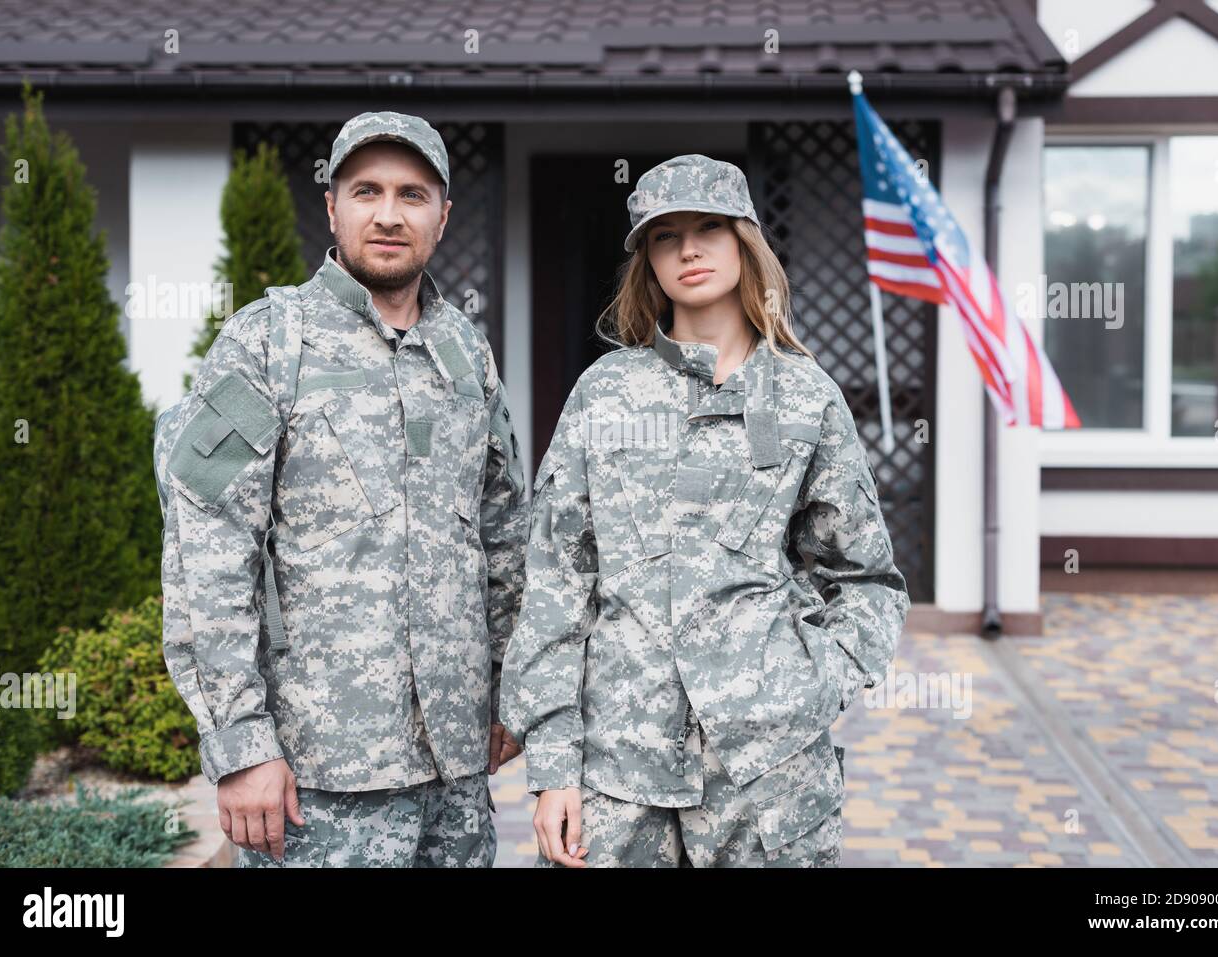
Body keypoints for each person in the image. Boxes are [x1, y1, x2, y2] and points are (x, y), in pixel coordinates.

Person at [499, 154, 910, 867]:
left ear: (744, 241)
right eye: (666, 235)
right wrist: (554, 764)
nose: (688, 249)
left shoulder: (805, 397)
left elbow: (866, 578)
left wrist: (809, 684)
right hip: (617, 777)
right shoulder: (604, 395)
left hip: (768, 782)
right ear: (647, 260)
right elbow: (556, 587)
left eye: (710, 228)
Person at [156, 112, 527, 867]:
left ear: (443, 215)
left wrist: (509, 690)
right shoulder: (266, 341)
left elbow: (503, 535)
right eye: (367, 191)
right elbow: (207, 551)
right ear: (332, 206)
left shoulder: (464, 353)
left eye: (413, 195)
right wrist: (240, 744)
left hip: (456, 775)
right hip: (317, 777)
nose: (389, 214)